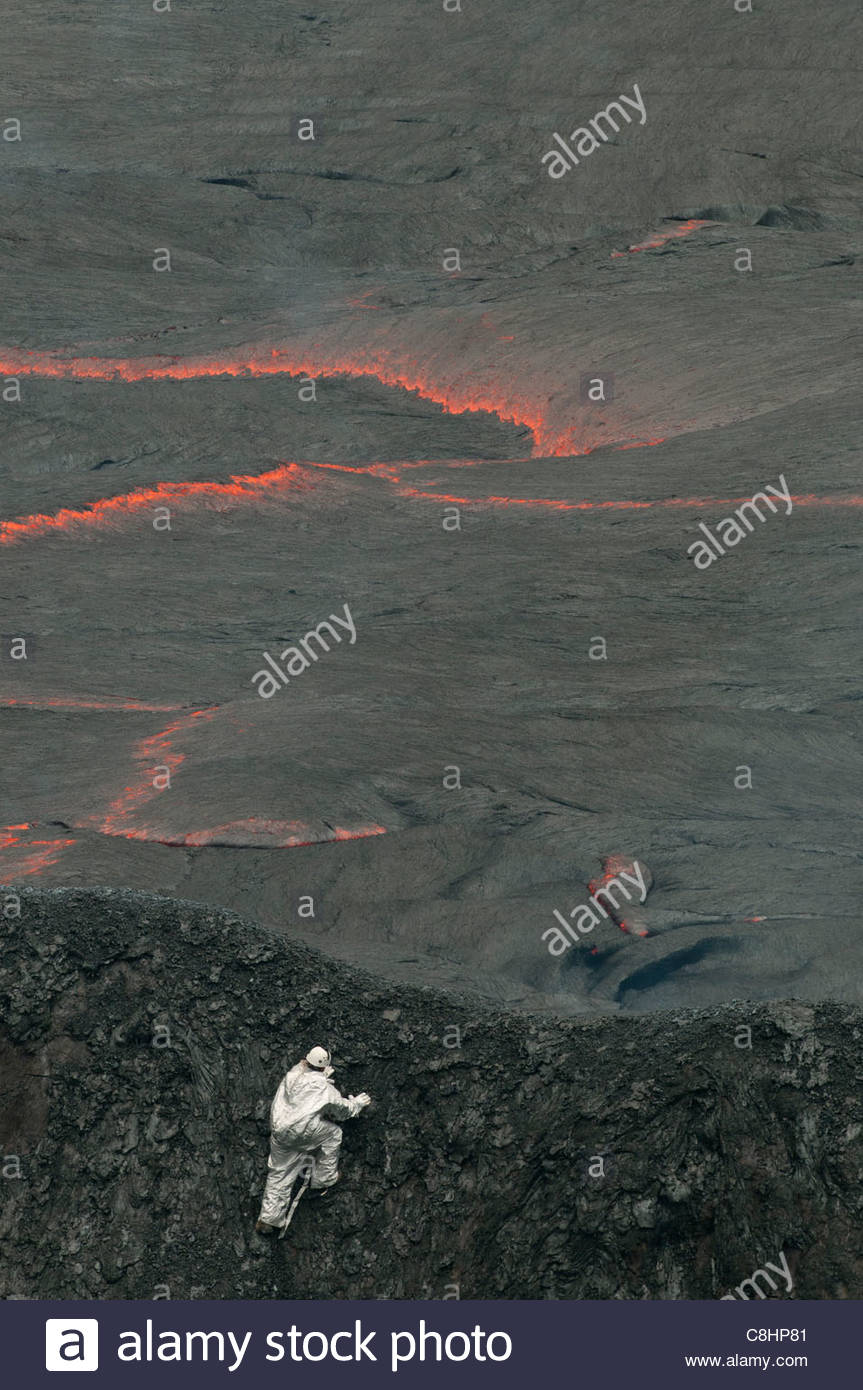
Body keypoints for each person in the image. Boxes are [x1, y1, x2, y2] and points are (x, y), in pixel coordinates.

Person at [255, 1046, 371, 1235]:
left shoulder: (292, 1075)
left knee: (279, 1171)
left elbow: (304, 1079)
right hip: (302, 1132)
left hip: (280, 1131)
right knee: (334, 1133)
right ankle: (323, 1179)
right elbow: (341, 1111)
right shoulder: (324, 1089)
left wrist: (322, 1076)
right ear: (325, 1067)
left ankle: (269, 1219)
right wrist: (356, 1104)